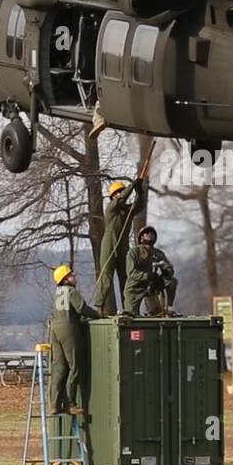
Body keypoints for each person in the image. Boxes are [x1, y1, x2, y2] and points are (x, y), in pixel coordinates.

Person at [50, 264, 100, 415]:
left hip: (55, 327)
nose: (74, 277)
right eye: (71, 275)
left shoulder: (58, 292)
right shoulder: (71, 291)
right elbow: (82, 308)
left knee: (59, 367)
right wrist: (99, 315)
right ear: (65, 280)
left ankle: (54, 404)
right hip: (68, 328)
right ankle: (70, 403)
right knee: (75, 365)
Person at [95, 177, 142, 313]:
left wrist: (140, 192)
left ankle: (128, 307)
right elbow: (121, 198)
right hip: (110, 243)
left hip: (123, 245)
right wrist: (132, 186)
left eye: (121, 191)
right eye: (118, 192)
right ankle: (100, 306)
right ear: (113, 196)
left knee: (125, 277)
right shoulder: (111, 208)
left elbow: (139, 206)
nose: (120, 194)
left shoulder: (127, 211)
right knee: (106, 276)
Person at [123, 226, 179, 316]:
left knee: (171, 282)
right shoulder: (133, 253)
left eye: (152, 233)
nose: (150, 235)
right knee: (130, 316)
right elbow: (131, 273)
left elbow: (169, 268)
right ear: (141, 238)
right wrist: (148, 276)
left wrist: (166, 272)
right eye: (147, 233)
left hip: (152, 286)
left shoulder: (158, 253)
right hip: (135, 287)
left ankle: (167, 307)